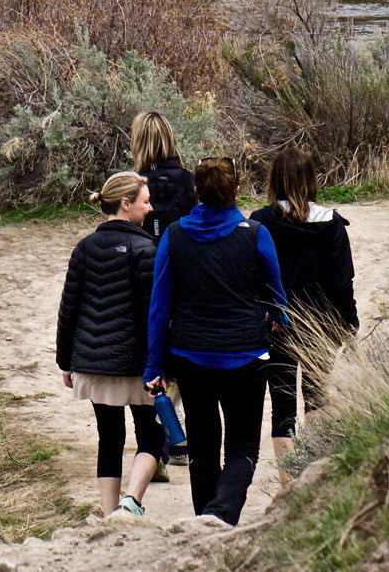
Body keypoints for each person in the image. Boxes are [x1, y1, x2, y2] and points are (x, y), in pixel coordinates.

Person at [143, 157, 287, 526]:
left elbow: (159, 306)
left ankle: (205, 524)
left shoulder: (174, 236)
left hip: (190, 358)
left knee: (202, 449)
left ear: (196, 192)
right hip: (246, 356)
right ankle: (220, 518)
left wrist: (154, 366)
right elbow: (276, 299)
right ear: (236, 191)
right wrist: (277, 320)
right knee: (243, 450)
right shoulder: (255, 234)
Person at [248, 147, 357, 488]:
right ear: (312, 180)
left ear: (275, 181)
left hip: (275, 327)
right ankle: (314, 482)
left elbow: (250, 278)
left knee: (282, 408)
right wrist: (349, 324)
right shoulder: (332, 224)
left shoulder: (260, 222)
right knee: (317, 400)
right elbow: (342, 282)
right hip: (319, 329)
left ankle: (287, 487)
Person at [57, 171, 162, 517]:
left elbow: (69, 306)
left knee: (109, 437)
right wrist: (160, 364)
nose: (150, 209)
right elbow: (153, 313)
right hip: (134, 365)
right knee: (150, 434)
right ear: (126, 203)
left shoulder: (84, 247)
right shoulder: (146, 249)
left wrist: (65, 362)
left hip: (92, 362)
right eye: (145, 202)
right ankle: (131, 502)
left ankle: (108, 514)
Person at [129, 110, 196, 476]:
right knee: (179, 365)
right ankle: (171, 440)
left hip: (143, 281)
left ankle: (160, 446)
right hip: (183, 281)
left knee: (153, 364)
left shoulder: (134, 185)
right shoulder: (187, 181)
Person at [131, 111, 197, 241]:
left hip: (141, 256)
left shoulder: (132, 182)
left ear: (138, 142)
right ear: (169, 138)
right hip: (179, 254)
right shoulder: (187, 178)